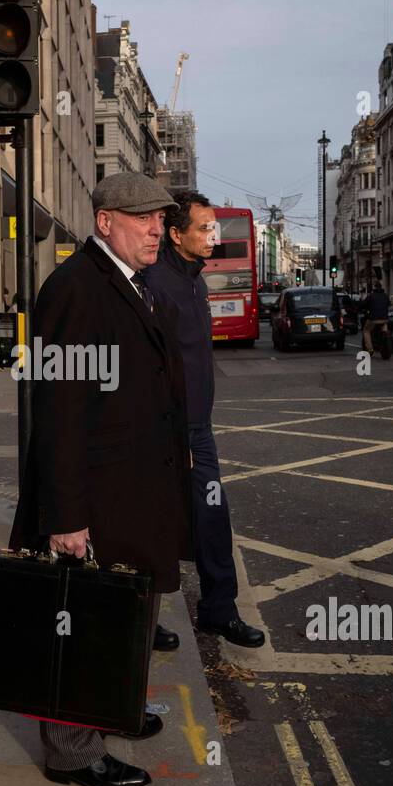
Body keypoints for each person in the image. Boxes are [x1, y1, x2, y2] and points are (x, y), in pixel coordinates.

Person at [9, 172, 192, 786]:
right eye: (144, 219)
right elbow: (57, 413)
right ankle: (73, 753)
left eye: (162, 220)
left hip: (138, 491)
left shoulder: (135, 284)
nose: (156, 230)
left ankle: (113, 709)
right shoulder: (74, 288)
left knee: (130, 613)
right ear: (105, 221)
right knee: (82, 623)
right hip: (98, 495)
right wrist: (65, 514)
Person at [144, 191, 266, 649]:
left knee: (211, 519)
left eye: (214, 227)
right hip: (170, 429)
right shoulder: (156, 282)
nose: (213, 236)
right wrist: (176, 435)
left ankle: (218, 611)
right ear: (177, 234)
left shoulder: (195, 279)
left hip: (199, 425)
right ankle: (145, 616)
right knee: (154, 523)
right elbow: (153, 367)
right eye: (204, 228)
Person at [362, 281, 391, 354]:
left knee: (366, 330)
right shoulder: (385, 296)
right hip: (384, 319)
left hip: (373, 319)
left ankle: (370, 349)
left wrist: (360, 308)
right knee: (385, 328)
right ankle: (385, 337)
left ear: (374, 288)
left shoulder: (371, 296)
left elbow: (364, 304)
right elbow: (389, 304)